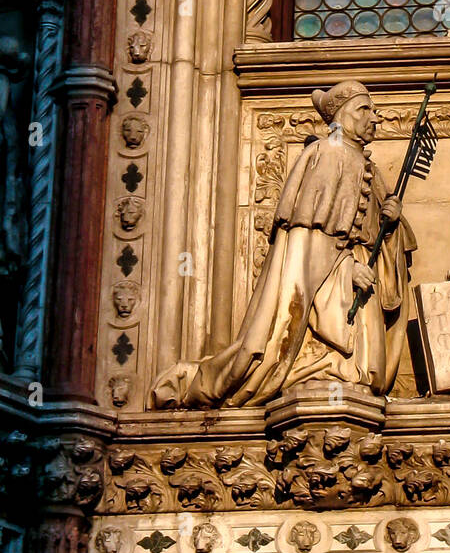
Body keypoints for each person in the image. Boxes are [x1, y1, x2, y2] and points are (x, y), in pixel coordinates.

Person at [151, 81, 414, 406]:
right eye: (365, 110)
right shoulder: (327, 155)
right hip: (334, 282)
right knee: (330, 365)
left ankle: (340, 373)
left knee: (367, 369)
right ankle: (318, 370)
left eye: (374, 110)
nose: (375, 117)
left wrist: (389, 225)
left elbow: (368, 236)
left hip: (357, 280)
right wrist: (347, 271)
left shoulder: (366, 165)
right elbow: (309, 246)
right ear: (344, 116)